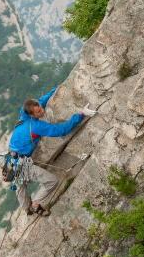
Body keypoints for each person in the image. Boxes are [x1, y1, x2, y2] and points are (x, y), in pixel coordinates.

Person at [8, 86, 96, 215]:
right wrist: (81, 114)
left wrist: (56, 89)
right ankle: (36, 204)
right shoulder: (36, 127)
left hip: (10, 159)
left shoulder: (24, 115)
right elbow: (61, 130)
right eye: (38, 112)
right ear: (31, 115)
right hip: (21, 164)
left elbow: (41, 101)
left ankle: (26, 208)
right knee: (52, 181)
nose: (42, 111)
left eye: (40, 108)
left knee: (20, 185)